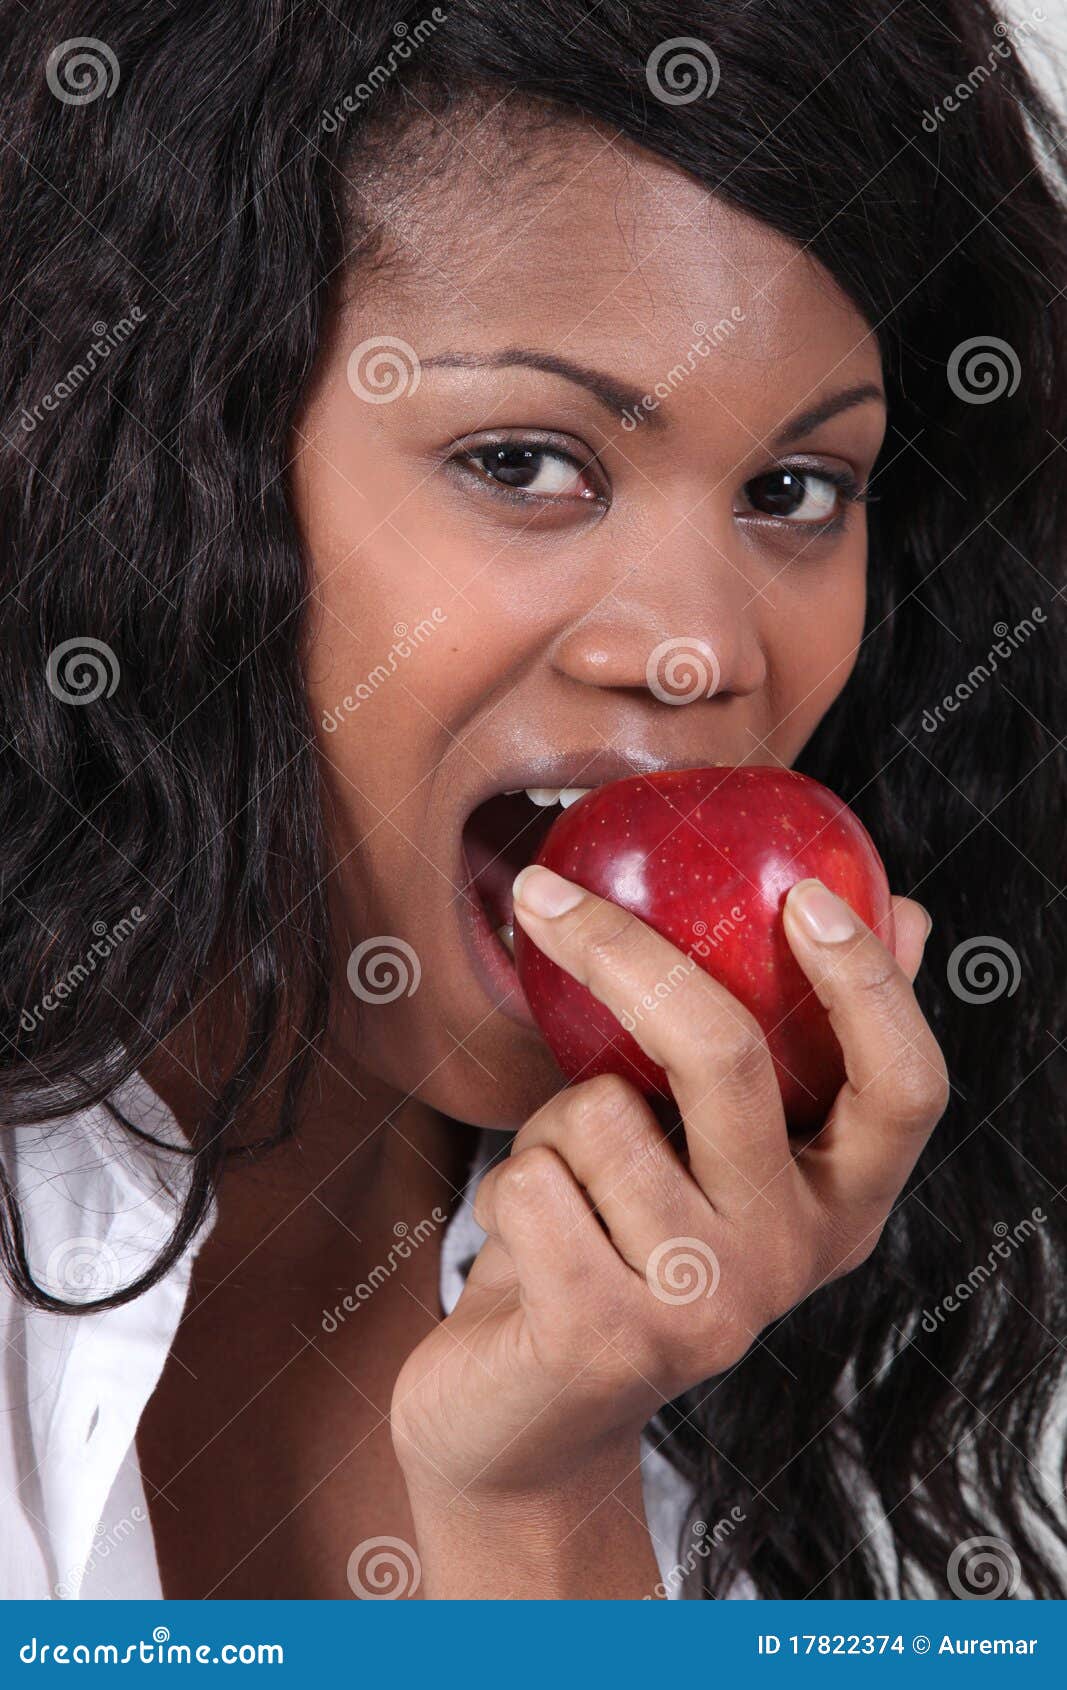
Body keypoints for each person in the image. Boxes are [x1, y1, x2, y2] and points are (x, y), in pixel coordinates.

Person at [1, 0, 1064, 1600]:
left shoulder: (865, 1321)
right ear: (165, 483)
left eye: (796, 491)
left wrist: (543, 1494)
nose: (707, 649)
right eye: (523, 460)